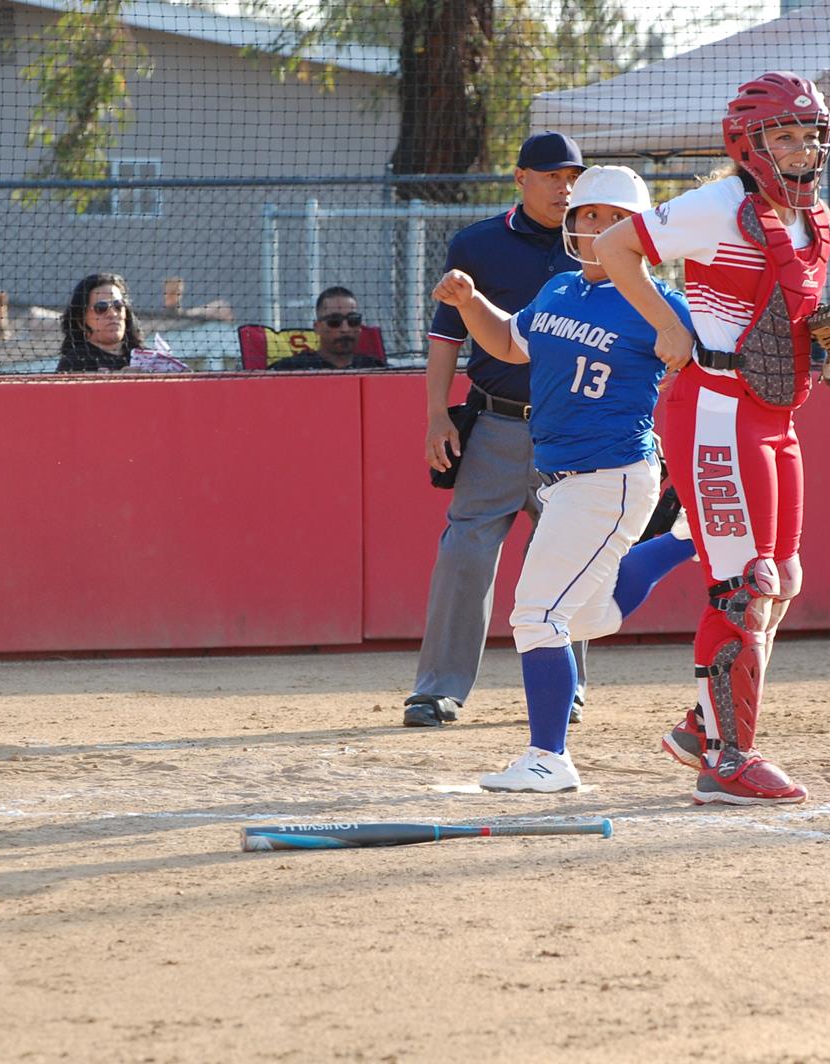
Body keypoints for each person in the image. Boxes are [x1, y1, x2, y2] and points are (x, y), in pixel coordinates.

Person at [595, 71, 830, 806]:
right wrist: (667, 325)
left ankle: (704, 727)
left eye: (810, 134)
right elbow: (615, 246)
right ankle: (727, 761)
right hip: (715, 409)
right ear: (747, 143)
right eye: (783, 135)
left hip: (774, 417)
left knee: (781, 579)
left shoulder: (813, 216)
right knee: (740, 587)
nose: (800, 148)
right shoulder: (717, 205)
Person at [431, 166, 699, 792]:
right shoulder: (559, 288)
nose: (599, 229)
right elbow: (507, 343)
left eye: (616, 219)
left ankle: (548, 758)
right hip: (567, 478)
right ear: (572, 224)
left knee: (536, 617)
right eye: (589, 216)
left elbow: (698, 363)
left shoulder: (660, 304)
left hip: (609, 475)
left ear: (641, 230)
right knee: (585, 616)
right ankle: (686, 541)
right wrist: (470, 302)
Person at [403, 131, 589, 729]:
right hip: (496, 422)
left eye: (573, 177)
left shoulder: (597, 243)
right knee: (465, 553)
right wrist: (437, 414)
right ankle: (437, 689)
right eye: (553, 176)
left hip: (574, 430)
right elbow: (445, 338)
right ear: (520, 178)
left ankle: (566, 687)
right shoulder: (478, 243)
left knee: (566, 559)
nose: (565, 188)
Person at [269, 286, 383, 371]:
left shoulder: (375, 368)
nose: (345, 329)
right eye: (335, 321)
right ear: (317, 327)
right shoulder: (291, 369)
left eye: (353, 320)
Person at [55, 273, 144, 373]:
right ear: (81, 320)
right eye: (101, 307)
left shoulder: (145, 357)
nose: (113, 314)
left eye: (118, 305)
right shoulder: (75, 361)